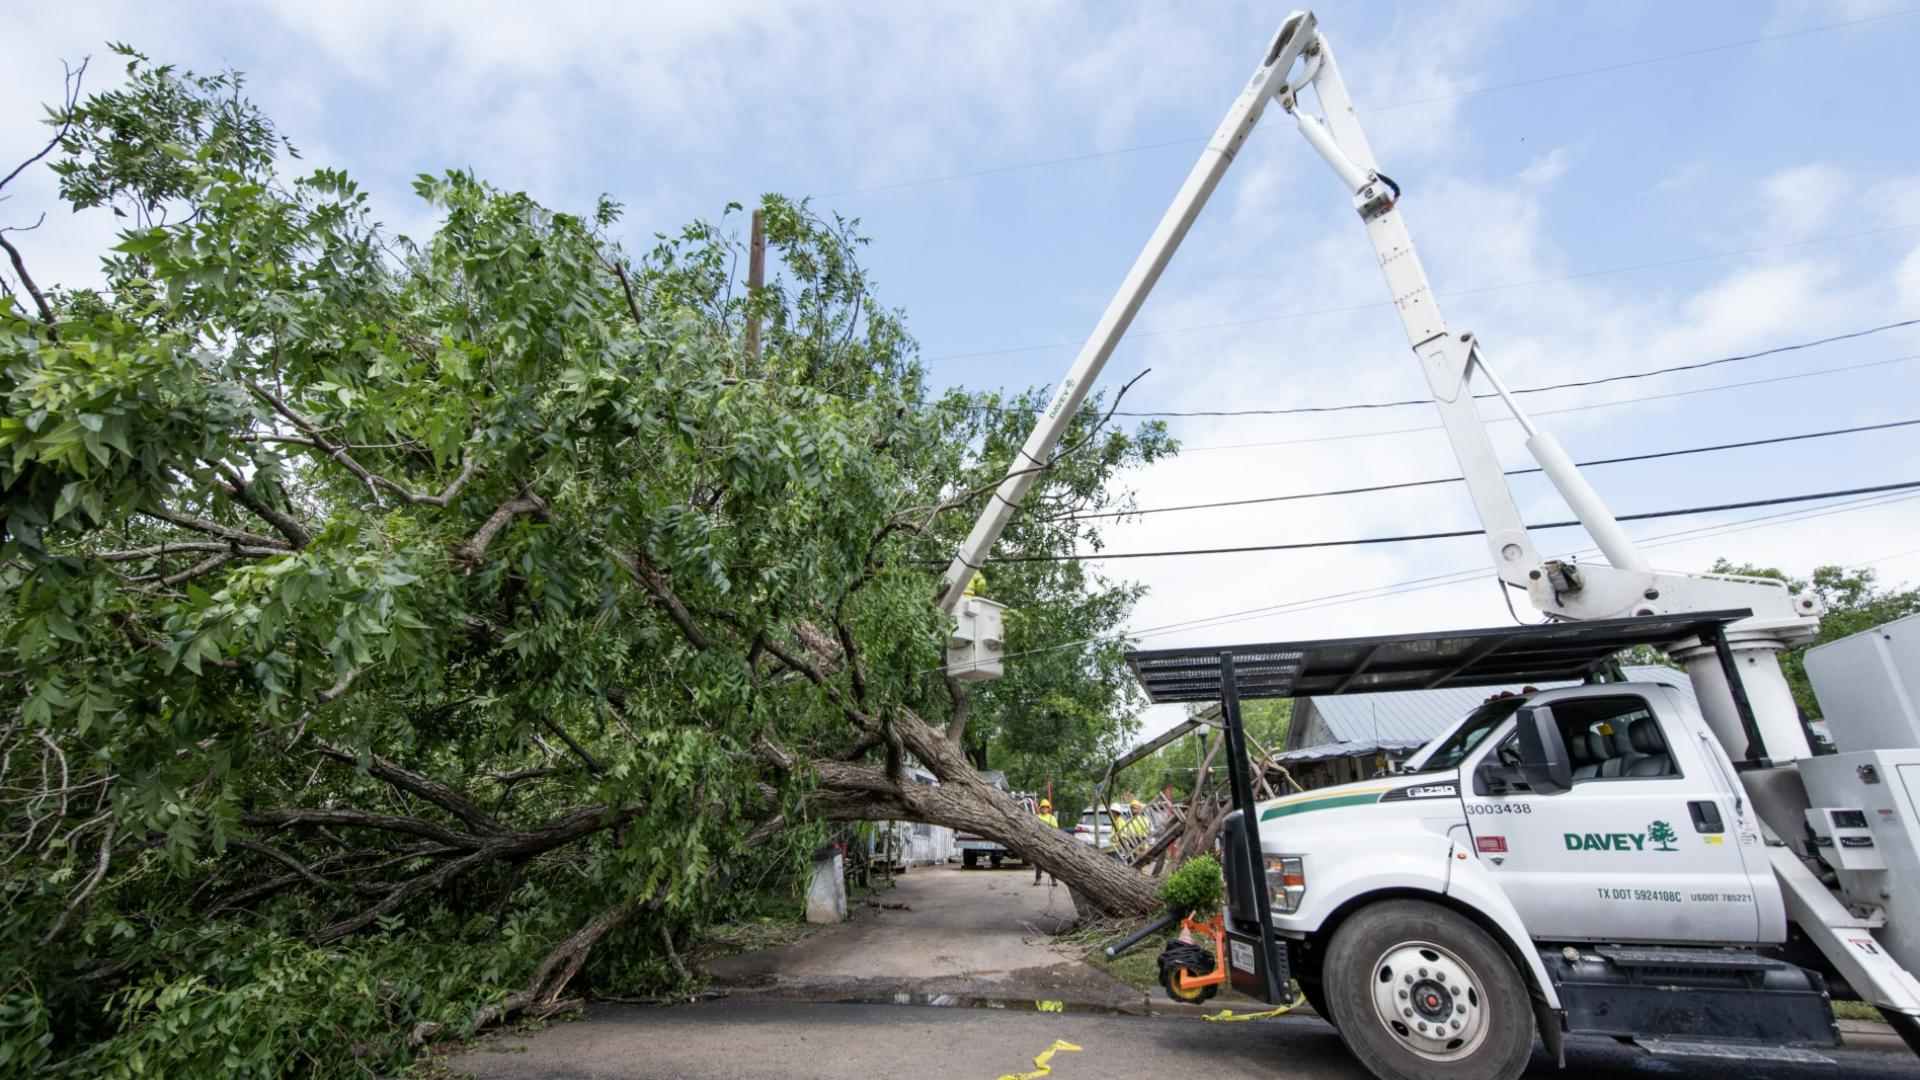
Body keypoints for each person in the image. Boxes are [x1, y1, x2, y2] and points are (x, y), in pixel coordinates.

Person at [1032, 798, 1056, 885]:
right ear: (1040, 808)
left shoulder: (1052, 818)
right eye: (1043, 807)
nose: (1045, 808)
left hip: (1050, 844)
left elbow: (1056, 832)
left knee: (1051, 863)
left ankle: (1053, 879)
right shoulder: (1037, 817)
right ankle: (1038, 879)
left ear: (1049, 808)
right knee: (1039, 863)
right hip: (1039, 843)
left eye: (1046, 807)